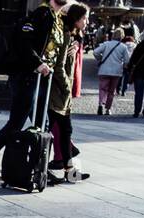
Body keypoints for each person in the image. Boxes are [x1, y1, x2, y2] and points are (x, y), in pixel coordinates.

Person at [0, 0, 67, 181]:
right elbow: (23, 42)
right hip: (28, 78)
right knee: (16, 124)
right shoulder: (42, 14)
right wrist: (38, 63)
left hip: (41, 79)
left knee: (41, 125)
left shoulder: (57, 18)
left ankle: (41, 168)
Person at [47, 2, 89, 185]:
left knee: (63, 132)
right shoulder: (65, 35)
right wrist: (66, 87)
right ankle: (60, 170)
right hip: (58, 93)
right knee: (59, 131)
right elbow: (59, 68)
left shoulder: (72, 36)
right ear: (77, 19)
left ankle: (69, 171)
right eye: (85, 18)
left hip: (61, 94)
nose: (87, 22)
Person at [91, 28, 128, 115]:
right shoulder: (123, 47)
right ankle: (108, 109)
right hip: (116, 72)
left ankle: (100, 105)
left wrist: (100, 58)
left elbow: (95, 52)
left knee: (102, 89)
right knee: (111, 91)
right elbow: (127, 60)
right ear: (122, 36)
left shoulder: (106, 44)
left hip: (104, 70)